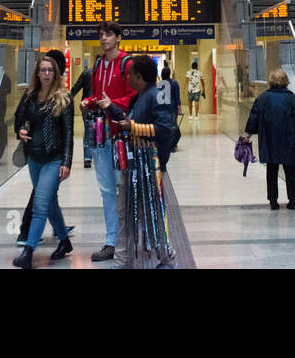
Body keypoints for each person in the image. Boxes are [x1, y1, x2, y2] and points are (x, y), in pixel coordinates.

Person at [108, 55, 177, 268]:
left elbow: (166, 129)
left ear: (137, 76)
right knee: (127, 213)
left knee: (153, 212)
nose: (127, 77)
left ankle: (167, 257)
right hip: (135, 165)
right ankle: (123, 260)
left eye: (129, 74)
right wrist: (111, 108)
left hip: (148, 165)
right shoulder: (140, 97)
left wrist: (134, 128)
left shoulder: (157, 95)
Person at [12, 52, 74, 268]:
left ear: (55, 73)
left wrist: (66, 162)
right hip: (34, 158)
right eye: (43, 70)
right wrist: (20, 130)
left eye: (50, 70)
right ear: (37, 74)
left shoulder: (64, 98)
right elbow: (19, 120)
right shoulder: (30, 96)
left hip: (54, 158)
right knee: (49, 203)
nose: (46, 74)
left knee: (40, 203)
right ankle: (64, 242)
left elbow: (68, 134)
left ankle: (28, 251)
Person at [80, 22, 134, 263]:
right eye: (101, 35)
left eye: (108, 34)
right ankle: (112, 241)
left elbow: (134, 95)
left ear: (118, 37)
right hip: (101, 136)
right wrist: (89, 101)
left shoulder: (127, 63)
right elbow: (98, 95)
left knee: (126, 189)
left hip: (122, 135)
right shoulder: (98, 64)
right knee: (106, 191)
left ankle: (128, 239)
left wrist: (113, 104)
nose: (103, 38)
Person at [240, 68, 295, 210]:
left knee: (271, 170)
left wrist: (248, 134)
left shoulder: (263, 98)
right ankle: (292, 200)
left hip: (269, 140)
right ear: (285, 81)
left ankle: (273, 200)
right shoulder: (291, 98)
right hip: (287, 140)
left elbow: (254, 116)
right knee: (290, 171)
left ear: (271, 81)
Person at [161, 64, 182, 151]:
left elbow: (159, 98)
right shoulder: (174, 83)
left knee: (165, 126)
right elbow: (177, 97)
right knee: (173, 126)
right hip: (173, 107)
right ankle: (172, 145)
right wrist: (179, 108)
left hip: (163, 108)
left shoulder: (160, 84)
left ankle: (166, 144)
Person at [185, 59, 205, 124]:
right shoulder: (200, 73)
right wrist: (204, 88)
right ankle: (196, 116)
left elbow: (186, 81)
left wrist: (184, 88)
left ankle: (190, 115)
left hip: (190, 90)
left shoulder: (188, 72)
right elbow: (202, 81)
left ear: (191, 66)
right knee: (197, 102)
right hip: (197, 90)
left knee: (190, 102)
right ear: (196, 66)